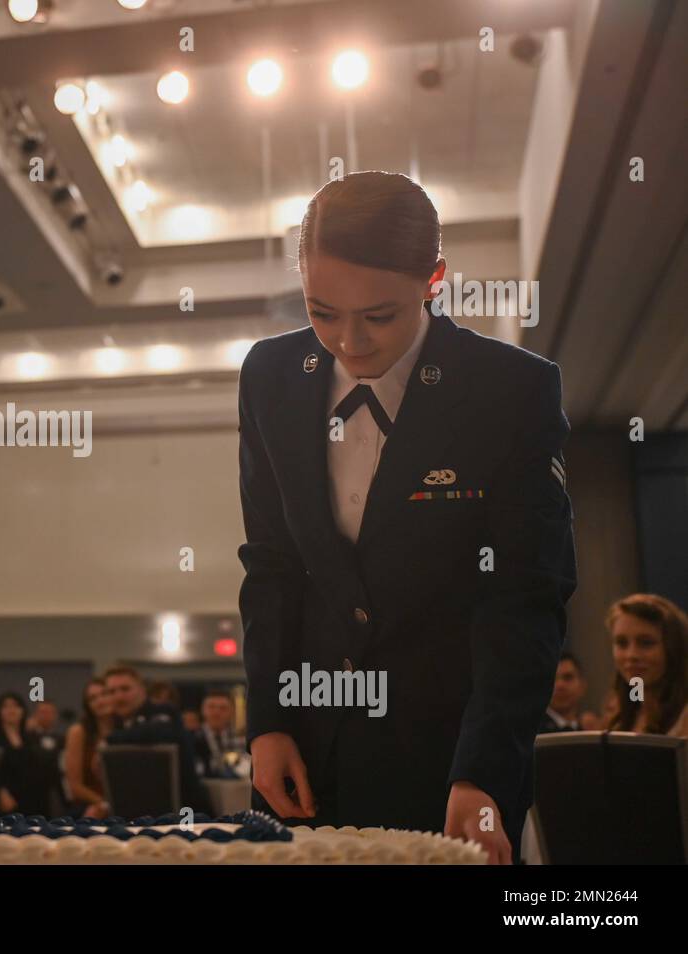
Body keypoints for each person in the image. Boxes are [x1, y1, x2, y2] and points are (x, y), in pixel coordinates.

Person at [238, 171, 576, 865]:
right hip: (306, 749)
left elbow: (524, 599)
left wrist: (484, 771)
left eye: (380, 315)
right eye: (321, 311)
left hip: (447, 757)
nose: (348, 342)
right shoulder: (270, 376)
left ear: (435, 280)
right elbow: (271, 566)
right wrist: (266, 725)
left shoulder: (509, 391)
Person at [104, 666, 213, 815]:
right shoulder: (118, 723)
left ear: (142, 690)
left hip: (185, 812)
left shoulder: (162, 710)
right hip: (143, 812)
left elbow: (156, 732)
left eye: (125, 689)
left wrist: (108, 741)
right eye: (112, 692)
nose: (119, 696)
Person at [603, 594, 688, 738]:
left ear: (673, 647)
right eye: (622, 643)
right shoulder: (621, 715)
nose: (631, 655)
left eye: (646, 643)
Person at [0, 692, 63, 815]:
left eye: (15, 706)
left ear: (23, 710)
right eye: (6, 706)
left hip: (33, 802)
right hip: (7, 802)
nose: (11, 710)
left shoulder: (31, 738)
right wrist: (0, 792)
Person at [65, 677, 115, 818]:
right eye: (93, 698)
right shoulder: (78, 732)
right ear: (88, 706)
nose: (99, 701)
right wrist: (104, 803)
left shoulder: (126, 729)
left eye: (104, 694)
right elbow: (75, 786)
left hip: (122, 805)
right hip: (89, 805)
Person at [537, 653, 593, 733]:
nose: (560, 685)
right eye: (552, 678)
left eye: (568, 677)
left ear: (582, 686)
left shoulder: (590, 735)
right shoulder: (530, 734)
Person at [193, 689, 242, 777]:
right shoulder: (193, 738)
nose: (216, 712)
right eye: (211, 707)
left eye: (223, 708)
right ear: (203, 710)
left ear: (231, 712)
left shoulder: (240, 738)